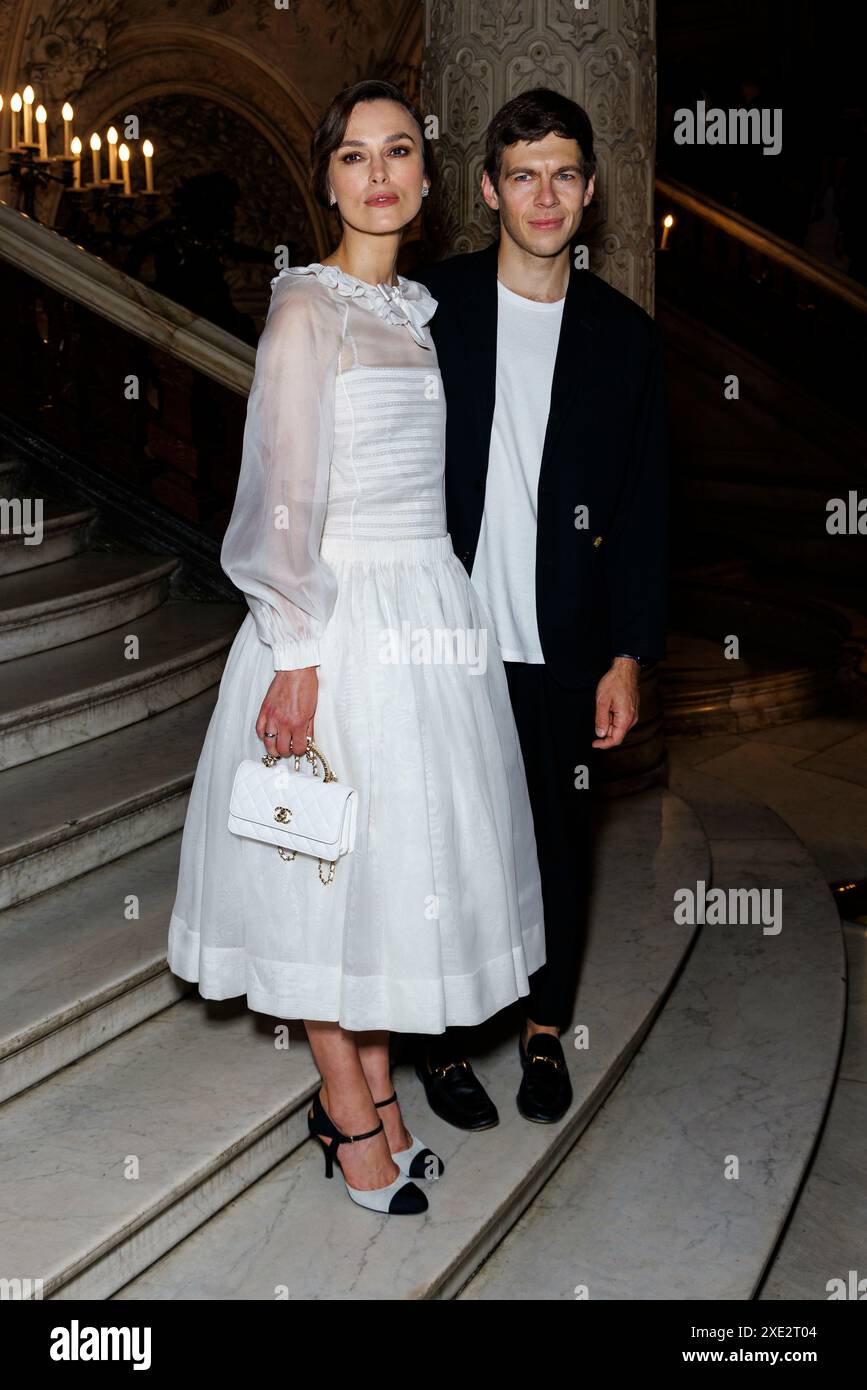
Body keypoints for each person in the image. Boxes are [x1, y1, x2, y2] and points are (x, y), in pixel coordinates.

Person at [166, 80, 546, 1216]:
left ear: (427, 184)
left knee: (389, 875)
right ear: (326, 179)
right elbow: (284, 499)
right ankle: (344, 1115)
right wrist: (294, 650)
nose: (377, 174)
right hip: (336, 623)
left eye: (398, 154)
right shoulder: (305, 312)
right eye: (353, 157)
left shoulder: (410, 313)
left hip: (430, 612)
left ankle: (377, 1094)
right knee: (322, 878)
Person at [412, 88, 669, 1128]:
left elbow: (648, 506)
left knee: (560, 842)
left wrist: (629, 654)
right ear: (489, 189)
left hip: (562, 639)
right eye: (524, 173)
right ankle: (441, 1041)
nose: (546, 193)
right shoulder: (434, 308)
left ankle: (544, 1030)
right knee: (448, 848)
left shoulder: (625, 336)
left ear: (591, 189)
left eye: (564, 172)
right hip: (444, 635)